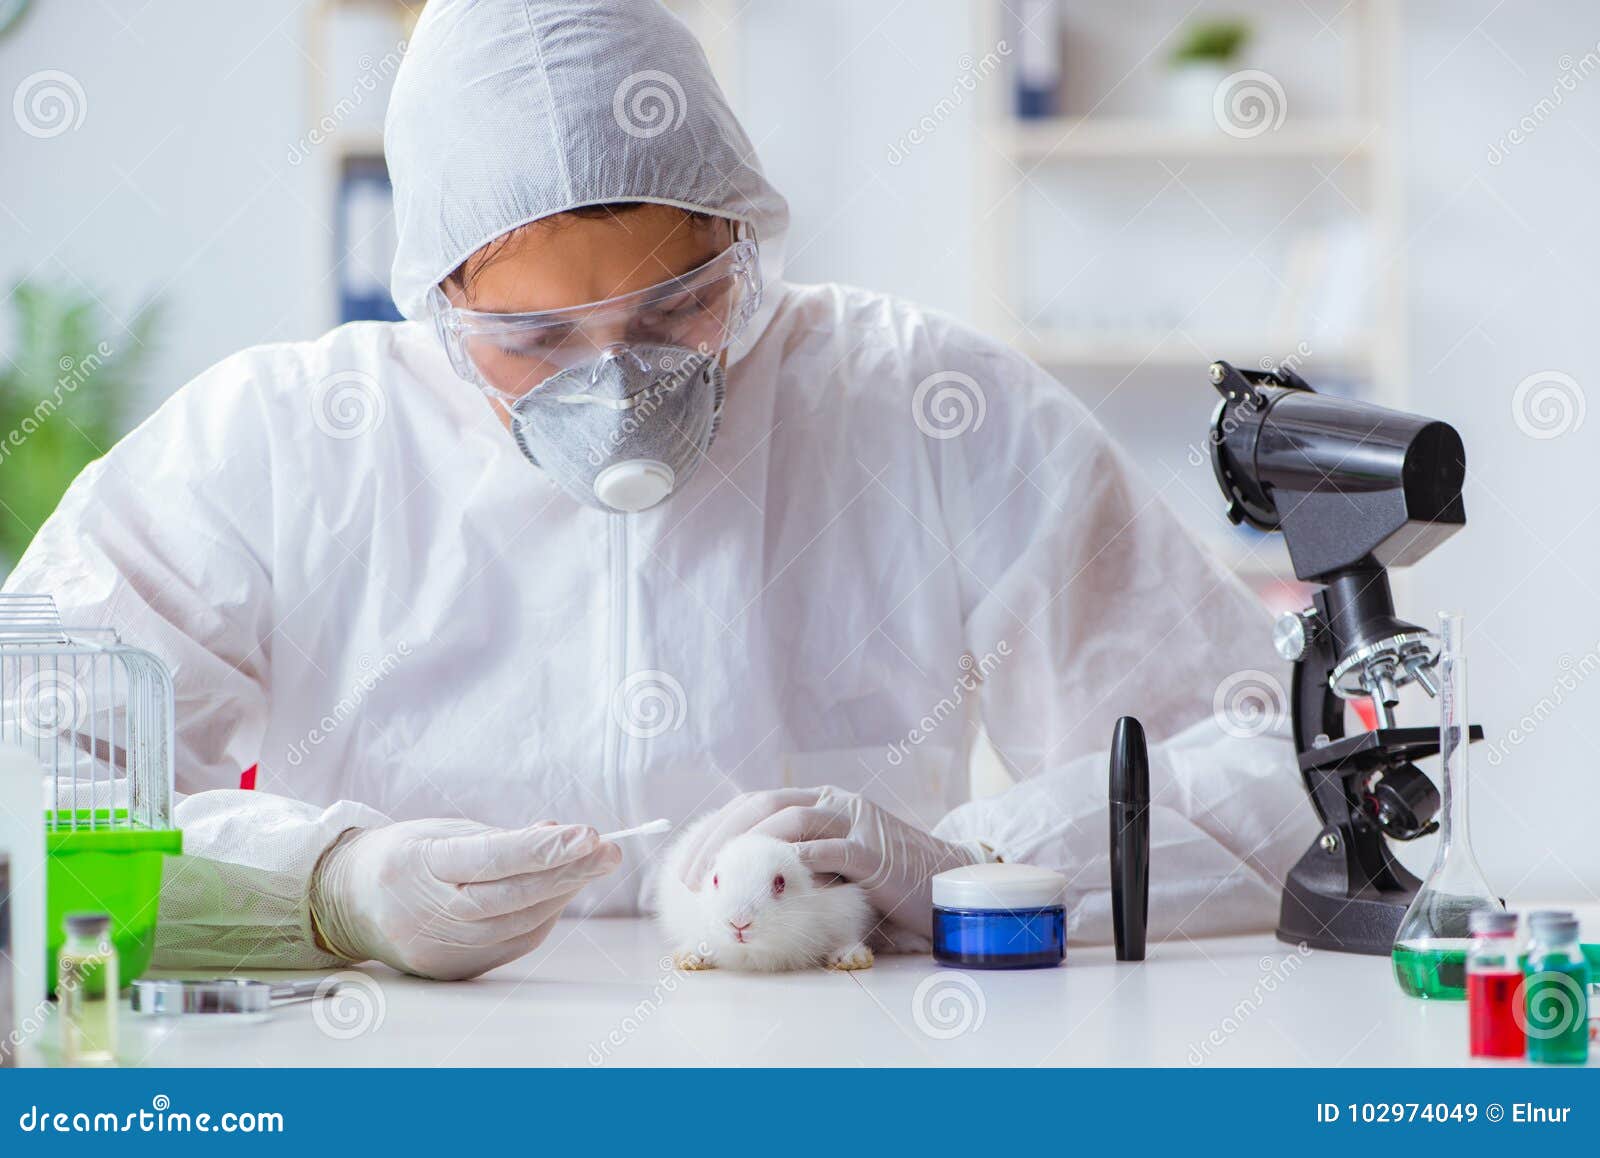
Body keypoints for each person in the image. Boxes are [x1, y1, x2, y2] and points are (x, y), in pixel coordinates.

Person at [4, 0, 1313, 981]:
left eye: (677, 307)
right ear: (438, 306)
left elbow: (1280, 767)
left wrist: (960, 870)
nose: (619, 385)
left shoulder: (923, 405)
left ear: (745, 243)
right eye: (535, 342)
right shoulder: (285, 442)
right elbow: (26, 768)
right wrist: (326, 884)